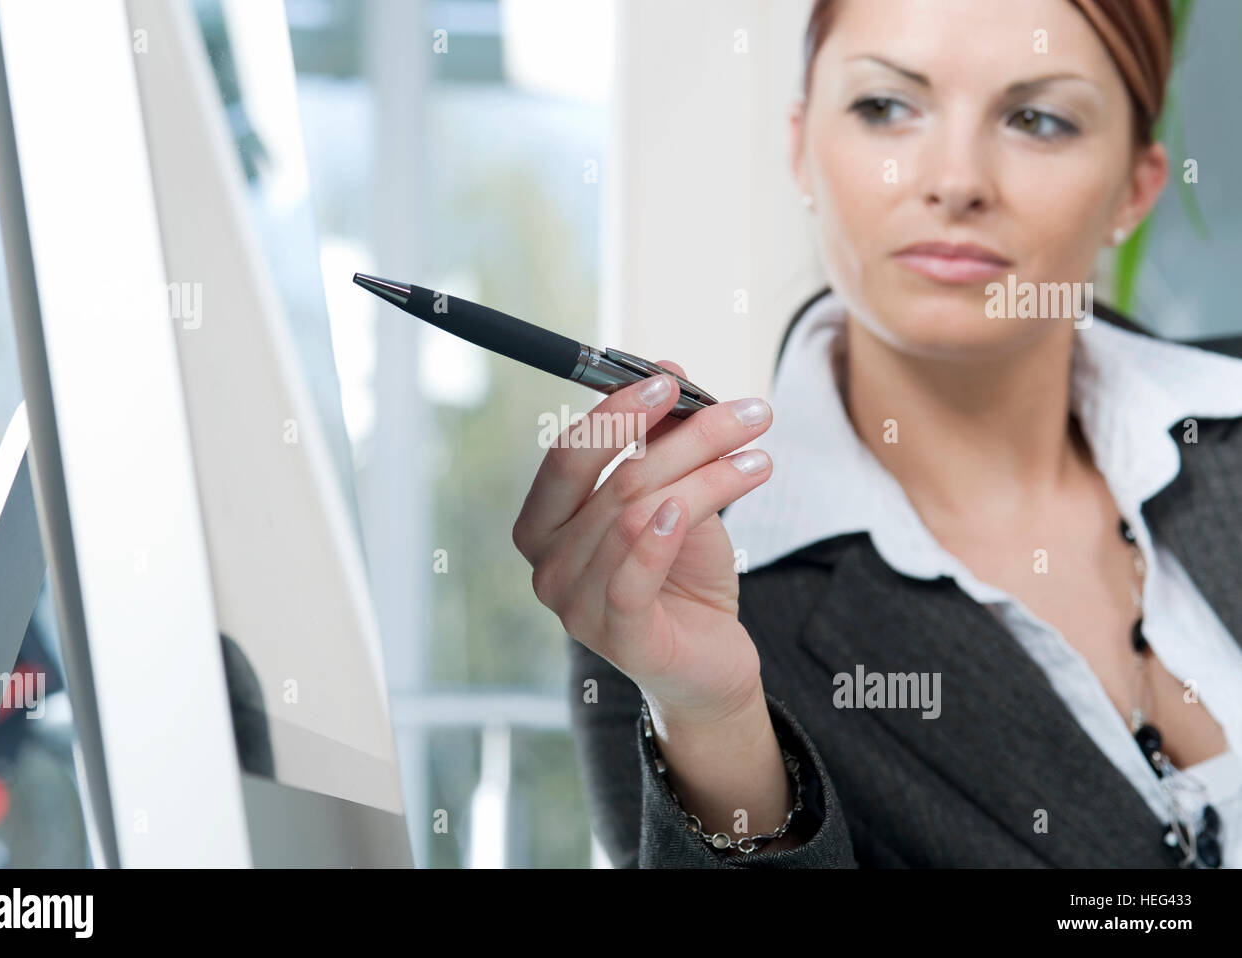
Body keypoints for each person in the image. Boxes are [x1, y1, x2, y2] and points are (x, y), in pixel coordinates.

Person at [511, 0, 1242, 867]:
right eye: (886, 107)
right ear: (800, 148)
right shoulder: (669, 610)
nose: (957, 179)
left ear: (1136, 187)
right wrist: (718, 726)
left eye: (1037, 119)